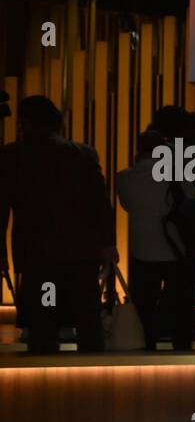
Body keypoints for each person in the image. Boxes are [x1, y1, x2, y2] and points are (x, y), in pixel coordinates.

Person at [0, 95, 115, 353]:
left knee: (45, 315)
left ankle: (46, 380)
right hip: (81, 254)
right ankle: (97, 378)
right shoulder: (83, 154)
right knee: (87, 317)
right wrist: (107, 243)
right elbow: (100, 205)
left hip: (40, 256)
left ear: (26, 123)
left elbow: (2, 206)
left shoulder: (13, 156)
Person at [116, 120, 195, 351]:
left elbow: (127, 205)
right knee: (180, 304)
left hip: (141, 249)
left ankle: (145, 345)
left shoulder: (124, 178)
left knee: (143, 303)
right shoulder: (177, 176)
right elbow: (193, 204)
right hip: (176, 250)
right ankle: (181, 343)